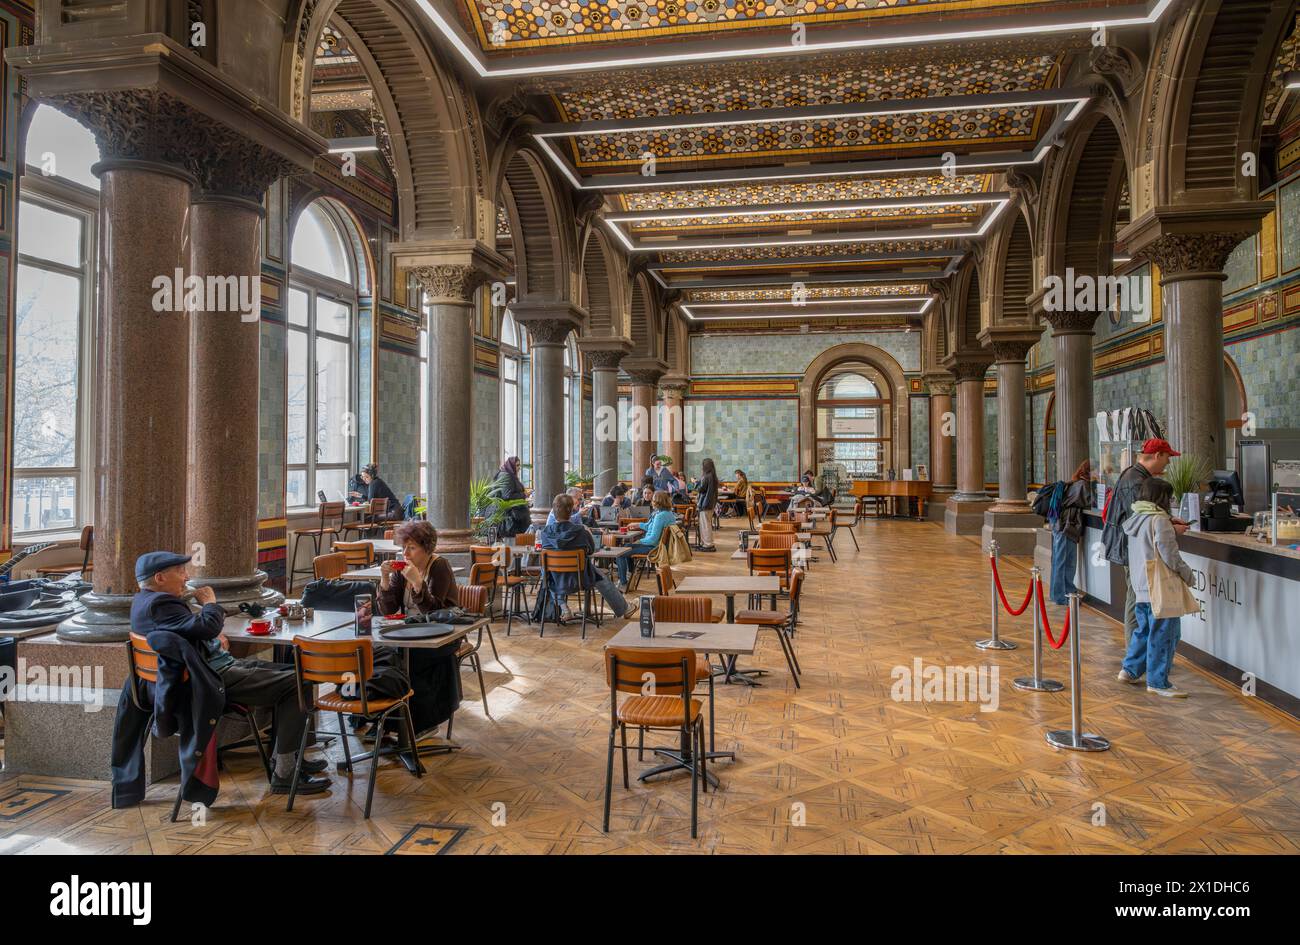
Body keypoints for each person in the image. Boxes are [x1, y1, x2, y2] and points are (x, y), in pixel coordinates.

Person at [129, 552, 331, 796]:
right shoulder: (160, 604)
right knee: (298, 681)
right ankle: (285, 773)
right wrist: (211, 604)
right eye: (181, 571)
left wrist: (208, 640)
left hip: (208, 672)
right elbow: (207, 626)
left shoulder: (144, 602)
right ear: (160, 578)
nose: (187, 577)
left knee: (294, 673)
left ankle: (290, 757)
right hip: (211, 679)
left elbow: (187, 632)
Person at [1101, 438, 1189, 643]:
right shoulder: (1136, 480)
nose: (1168, 463)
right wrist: (1170, 528)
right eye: (1167, 458)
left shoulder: (1133, 474)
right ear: (1158, 455)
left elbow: (1144, 515)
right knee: (1136, 599)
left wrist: (1167, 520)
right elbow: (1141, 521)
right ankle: (1135, 656)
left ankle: (1138, 654)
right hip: (1132, 551)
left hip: (1130, 548)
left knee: (1136, 598)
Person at [1119, 478, 1196, 697]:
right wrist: (1188, 575)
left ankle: (1130, 670)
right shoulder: (1160, 521)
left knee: (1144, 631)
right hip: (1160, 589)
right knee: (1166, 633)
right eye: (1169, 497)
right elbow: (1170, 555)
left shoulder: (1137, 518)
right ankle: (1158, 682)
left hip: (1141, 585)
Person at [539, 493, 639, 621]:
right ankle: (624, 608)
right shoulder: (581, 531)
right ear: (572, 511)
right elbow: (591, 550)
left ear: (553, 510)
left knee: (548, 573)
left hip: (554, 578)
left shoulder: (545, 532)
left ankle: (564, 608)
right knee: (600, 575)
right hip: (581, 578)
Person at [378, 520, 457, 614]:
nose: (405, 553)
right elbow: (388, 611)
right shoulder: (402, 569)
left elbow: (433, 612)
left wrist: (417, 583)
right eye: (404, 547)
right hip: (409, 626)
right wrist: (385, 578)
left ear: (428, 548)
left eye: (412, 548)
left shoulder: (440, 566)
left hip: (440, 626)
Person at [1049, 460, 1096, 605]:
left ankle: (1062, 593)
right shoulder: (1082, 485)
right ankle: (1061, 596)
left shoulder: (1075, 483)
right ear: (1089, 472)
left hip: (1062, 526)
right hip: (1066, 527)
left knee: (1062, 561)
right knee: (1064, 562)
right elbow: (1091, 501)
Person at [616, 490, 677, 586]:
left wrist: (639, 541)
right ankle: (631, 577)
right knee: (626, 547)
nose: (652, 502)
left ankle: (624, 583)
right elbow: (651, 527)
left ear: (657, 502)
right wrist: (638, 524)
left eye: (653, 500)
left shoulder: (660, 516)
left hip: (653, 548)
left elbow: (653, 539)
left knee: (620, 553)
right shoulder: (668, 513)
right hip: (659, 546)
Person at [489, 456, 531, 537]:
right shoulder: (507, 476)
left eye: (519, 465)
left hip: (511, 515)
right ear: (511, 465)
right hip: (509, 517)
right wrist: (524, 495)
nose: (519, 468)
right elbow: (507, 496)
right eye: (517, 465)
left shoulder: (509, 475)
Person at [696, 458, 719, 551]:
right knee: (707, 524)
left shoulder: (706, 476)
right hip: (711, 503)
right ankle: (707, 543)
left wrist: (695, 483)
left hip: (705, 504)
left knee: (705, 525)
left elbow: (701, 489)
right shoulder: (713, 476)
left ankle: (708, 544)